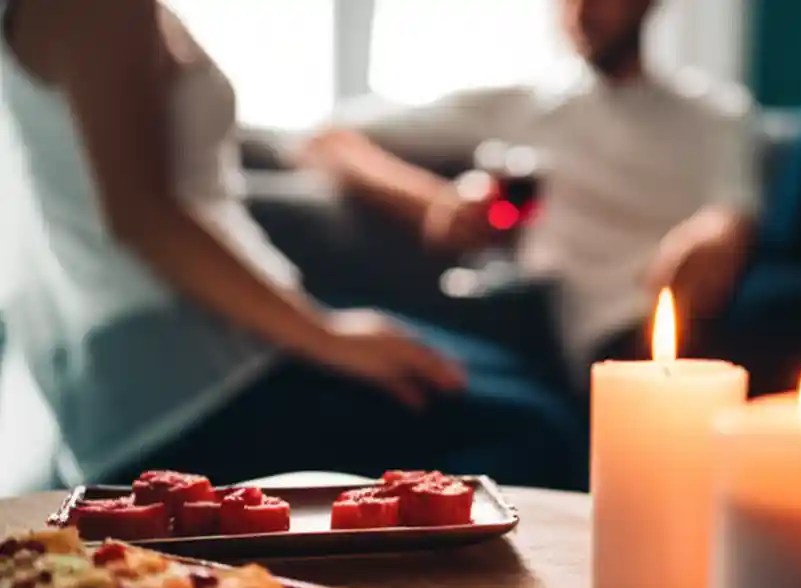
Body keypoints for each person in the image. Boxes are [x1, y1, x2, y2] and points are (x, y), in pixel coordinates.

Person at [0, 0, 584, 489]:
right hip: (188, 377)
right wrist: (327, 337)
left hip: (238, 331)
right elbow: (142, 217)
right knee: (529, 426)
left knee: (516, 385)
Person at [300, 0, 759, 384]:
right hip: (616, 339)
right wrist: (431, 202)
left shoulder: (716, 114)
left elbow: (735, 207)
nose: (580, 9)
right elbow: (329, 139)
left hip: (730, 306)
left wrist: (719, 234)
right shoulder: (522, 108)